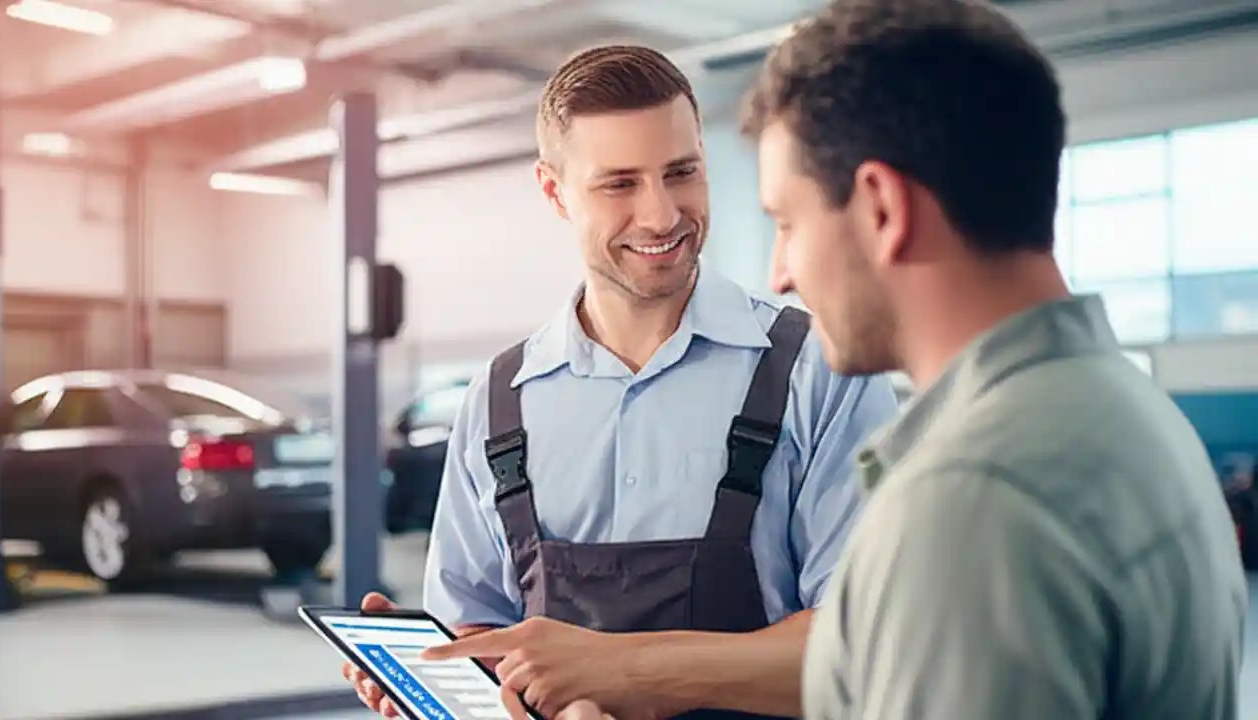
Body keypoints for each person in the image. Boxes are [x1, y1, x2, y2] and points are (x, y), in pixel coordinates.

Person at [342, 45, 899, 719]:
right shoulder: (498, 401)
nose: (662, 215)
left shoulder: (822, 370)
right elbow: (481, 632)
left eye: (681, 172)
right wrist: (435, 681)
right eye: (619, 184)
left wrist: (628, 672)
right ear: (554, 192)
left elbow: (870, 648)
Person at [732, 0, 1246, 718]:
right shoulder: (1122, 408)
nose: (779, 272)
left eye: (787, 224)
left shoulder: (972, 502)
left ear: (882, 207)